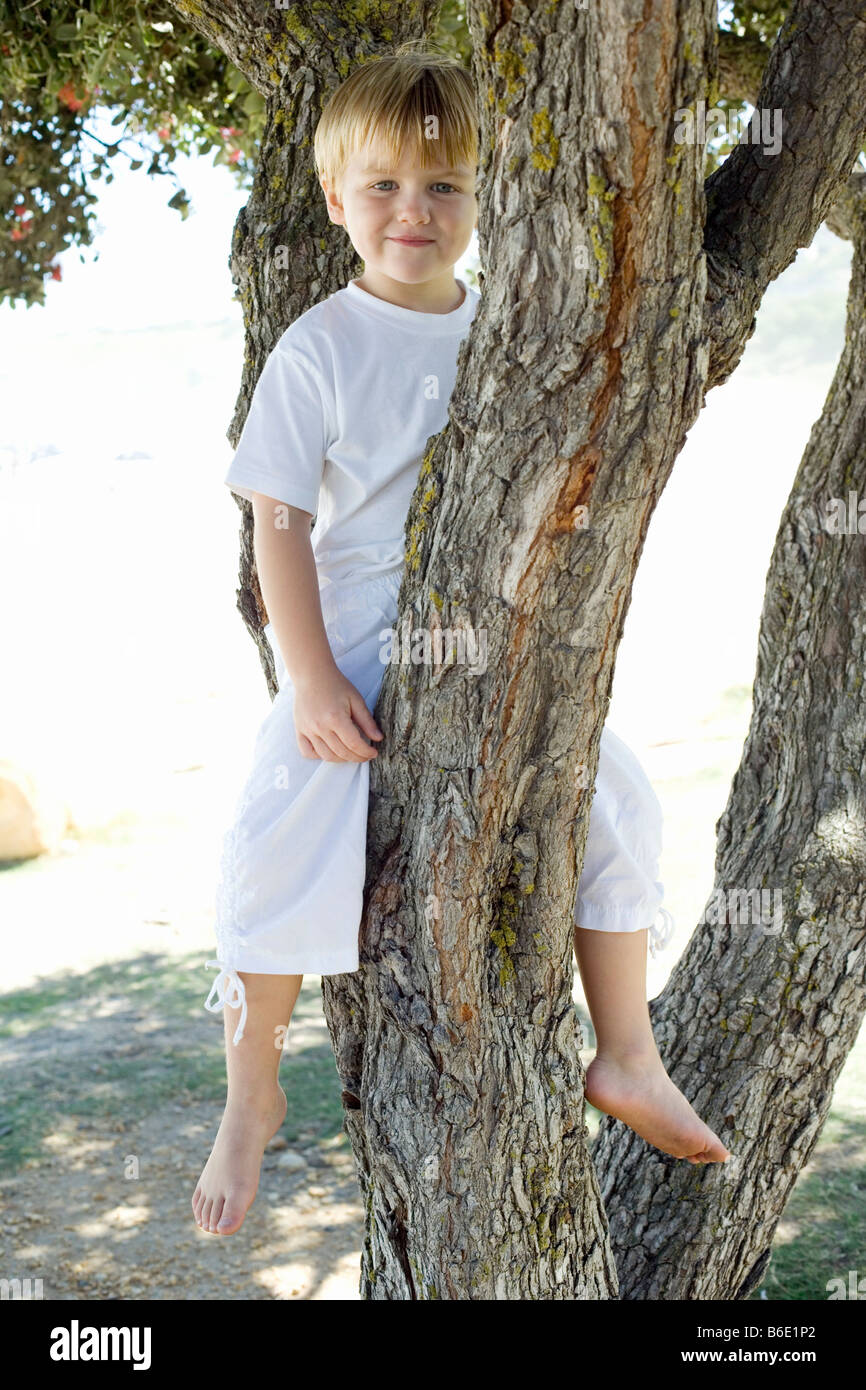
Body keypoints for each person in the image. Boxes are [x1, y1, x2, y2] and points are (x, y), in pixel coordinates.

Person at [192, 46, 730, 1239]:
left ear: (484, 198)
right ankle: (249, 1095)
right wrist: (311, 676)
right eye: (380, 186)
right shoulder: (318, 346)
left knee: (613, 795)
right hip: (360, 641)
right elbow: (274, 518)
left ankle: (625, 1053)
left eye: (442, 185)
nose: (412, 212)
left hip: (494, 642)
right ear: (334, 199)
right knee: (278, 830)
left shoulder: (508, 333)